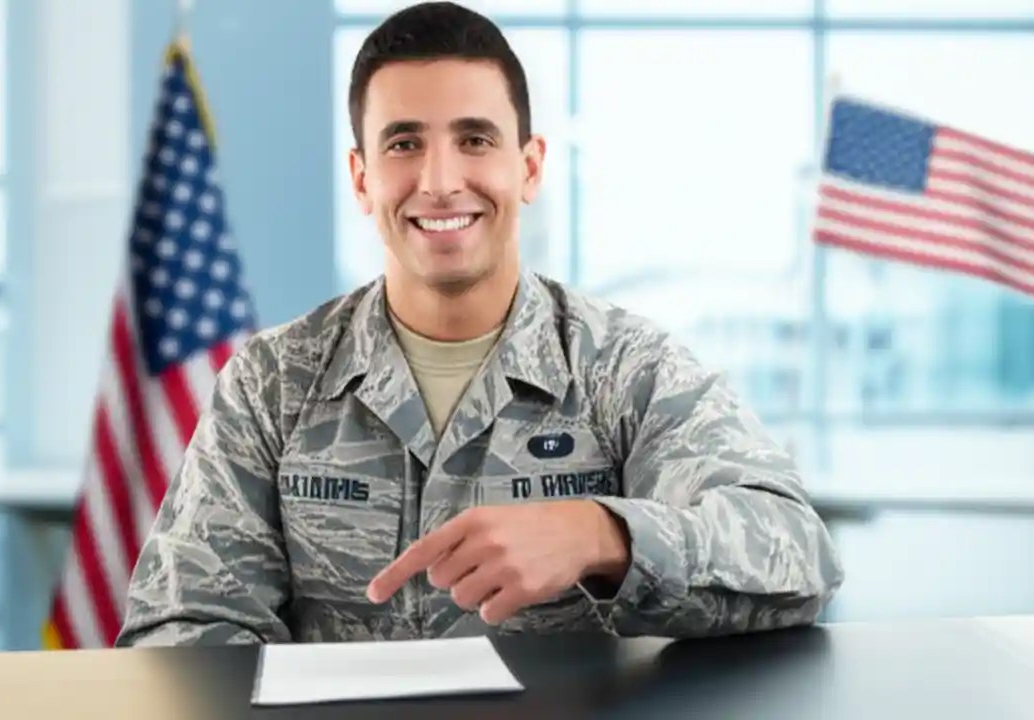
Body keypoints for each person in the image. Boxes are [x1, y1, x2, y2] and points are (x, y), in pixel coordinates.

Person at [116, 1, 844, 647]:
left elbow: (796, 553)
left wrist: (604, 534)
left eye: (475, 139)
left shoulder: (624, 368)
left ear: (528, 168)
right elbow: (181, 624)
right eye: (404, 143)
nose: (439, 180)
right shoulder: (271, 382)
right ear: (363, 176)